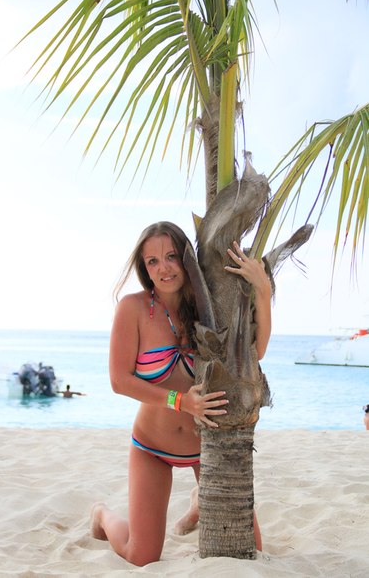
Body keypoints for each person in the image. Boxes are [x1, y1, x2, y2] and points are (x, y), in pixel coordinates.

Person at [90, 221, 271, 566]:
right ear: (144, 269)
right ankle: (101, 515)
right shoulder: (133, 308)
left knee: (252, 551)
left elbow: (255, 353)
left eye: (171, 256)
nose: (164, 268)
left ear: (186, 258)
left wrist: (261, 290)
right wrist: (180, 401)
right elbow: (119, 380)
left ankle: (200, 502)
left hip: (210, 449)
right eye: (153, 261)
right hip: (152, 449)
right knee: (141, 556)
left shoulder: (208, 307)